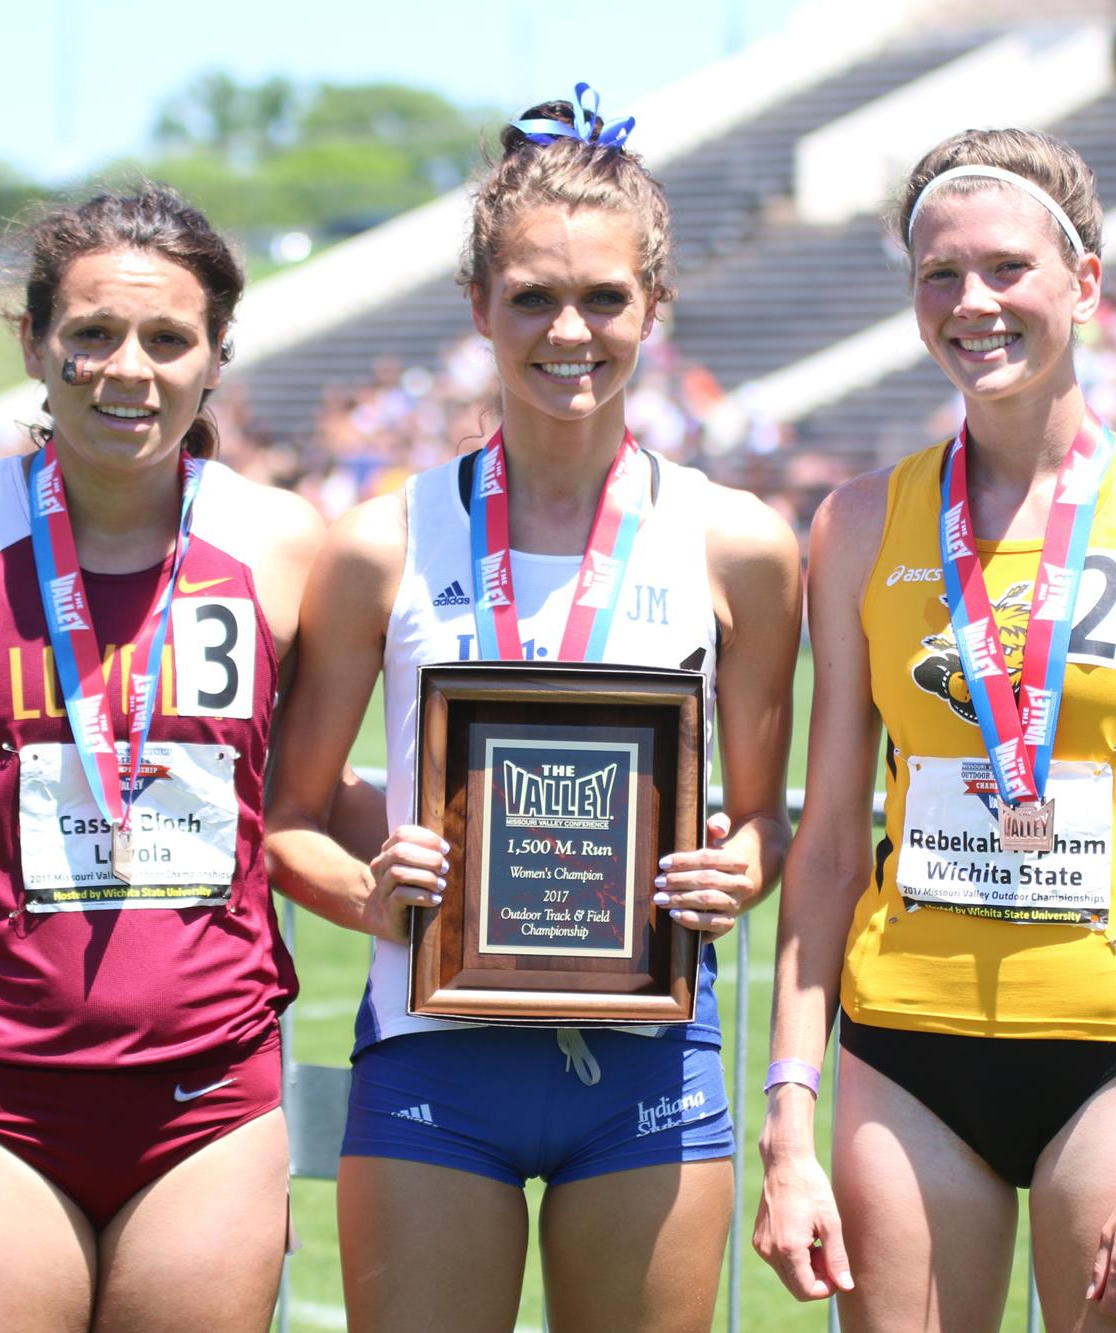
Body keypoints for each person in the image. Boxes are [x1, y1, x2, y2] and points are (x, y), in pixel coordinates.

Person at [263, 89, 801, 1333]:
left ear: (652, 310)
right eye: (533, 299)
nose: (571, 331)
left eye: (605, 298)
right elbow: (287, 814)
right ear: (478, 309)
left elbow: (763, 821)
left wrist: (737, 874)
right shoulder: (378, 542)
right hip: (431, 1054)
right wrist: (366, 892)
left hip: (650, 1064)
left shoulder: (740, 548)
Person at [753, 128, 1116, 1330]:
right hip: (902, 1058)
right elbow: (829, 839)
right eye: (938, 274)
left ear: (1082, 285)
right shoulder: (851, 527)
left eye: (1005, 269)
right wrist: (789, 1105)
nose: (970, 302)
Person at [0, 185, 338, 1332]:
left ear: (215, 356)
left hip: (210, 1106)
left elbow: (305, 800)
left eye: (166, 337)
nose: (125, 367)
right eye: (89, 333)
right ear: (35, 345)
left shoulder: (284, 546)